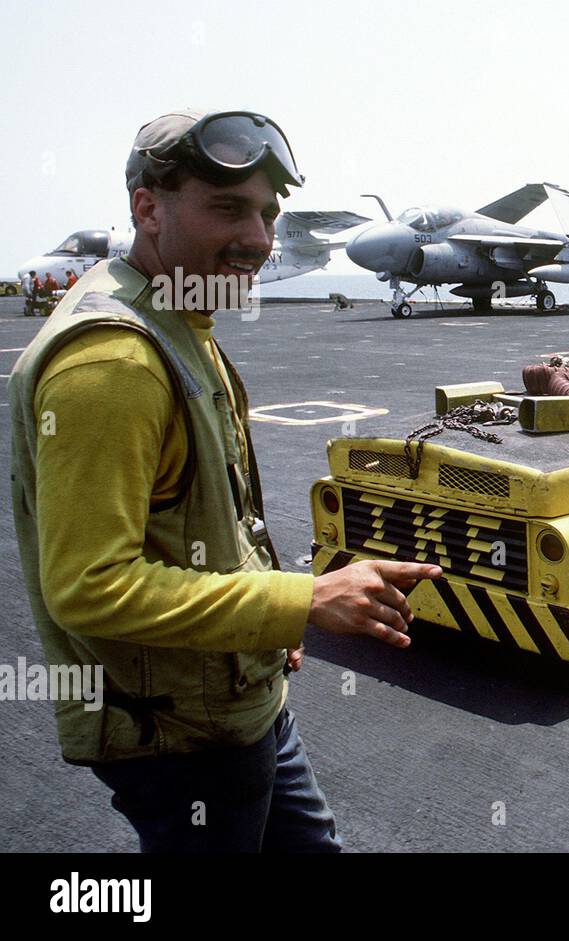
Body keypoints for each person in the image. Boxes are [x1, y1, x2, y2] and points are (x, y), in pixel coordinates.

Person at [7, 109, 442, 853]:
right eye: (227, 208)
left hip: (241, 697)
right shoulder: (113, 364)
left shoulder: (180, 314)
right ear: (148, 207)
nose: (259, 240)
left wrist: (269, 625)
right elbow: (88, 585)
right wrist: (304, 598)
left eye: (268, 214)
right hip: (181, 737)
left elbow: (214, 514)